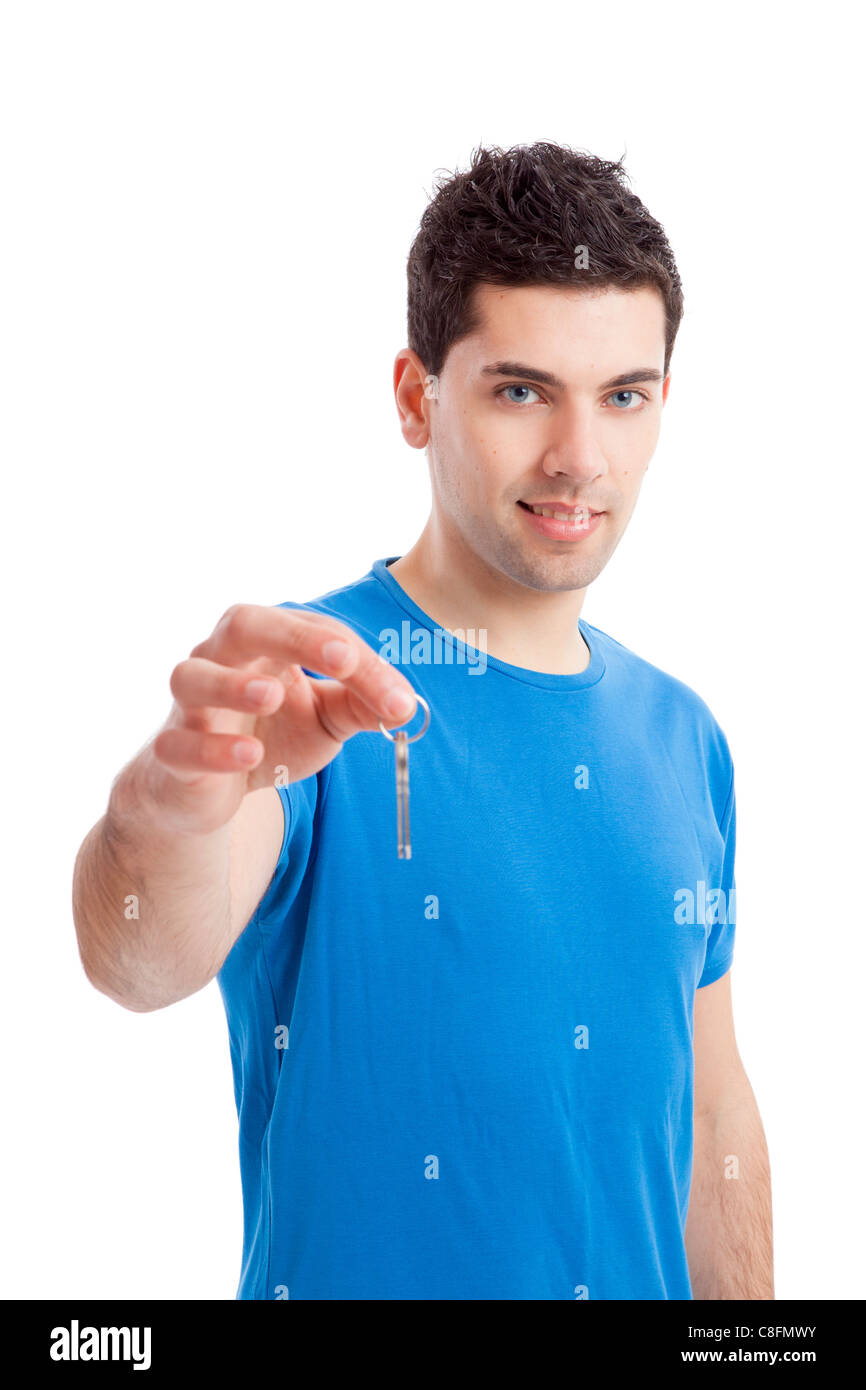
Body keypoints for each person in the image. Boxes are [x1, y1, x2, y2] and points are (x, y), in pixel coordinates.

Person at [72, 141, 773, 1301]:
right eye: (520, 390)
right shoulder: (306, 690)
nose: (578, 459)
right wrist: (164, 813)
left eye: (622, 396)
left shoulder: (684, 739)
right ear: (416, 397)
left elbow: (709, 1107)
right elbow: (136, 960)